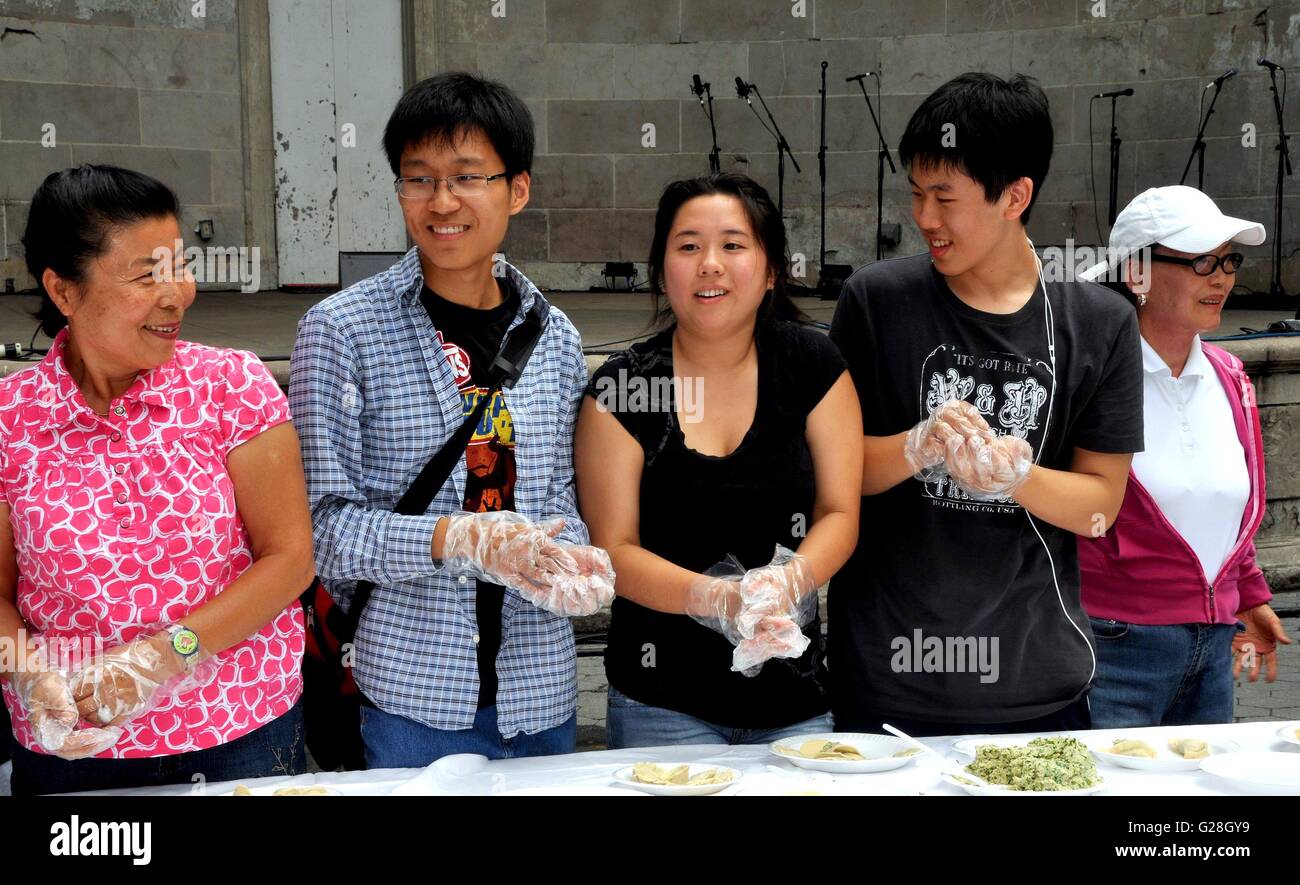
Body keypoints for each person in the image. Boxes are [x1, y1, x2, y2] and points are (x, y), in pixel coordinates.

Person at [289, 72, 614, 768]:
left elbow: (561, 497)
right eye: (419, 179)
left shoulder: (553, 334)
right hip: (413, 702)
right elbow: (320, 532)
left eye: (468, 177)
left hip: (542, 698)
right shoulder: (341, 331)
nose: (441, 202)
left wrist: (571, 560)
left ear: (516, 190)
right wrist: (455, 538)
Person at [828, 73, 1145, 737]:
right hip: (888, 683)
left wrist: (1018, 478)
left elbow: (1098, 507)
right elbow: (833, 475)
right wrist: (920, 443)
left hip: (1039, 687)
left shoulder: (1100, 322)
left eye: (945, 197)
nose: (924, 218)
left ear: (1016, 195)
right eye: (916, 193)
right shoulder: (876, 302)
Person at [1, 164, 313, 794]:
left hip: (240, 732)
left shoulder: (230, 386)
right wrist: (32, 676)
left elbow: (289, 559)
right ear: (63, 291)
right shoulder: (12, 419)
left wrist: (160, 658)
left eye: (180, 266)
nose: (178, 294)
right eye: (148, 275)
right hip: (75, 753)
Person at [575, 173, 862, 747]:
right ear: (661, 269)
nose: (710, 263)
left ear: (771, 269)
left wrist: (790, 581)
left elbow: (839, 510)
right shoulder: (624, 387)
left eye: (733, 244)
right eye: (688, 246)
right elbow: (614, 547)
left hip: (795, 702)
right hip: (662, 703)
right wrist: (717, 599)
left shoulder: (812, 364)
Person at [1077, 185, 1292, 727]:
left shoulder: (1229, 376)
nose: (1222, 277)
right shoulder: (1090, 377)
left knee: (1200, 807)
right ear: (1138, 275)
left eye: (1228, 260)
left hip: (1215, 646)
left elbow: (1220, 504)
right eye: (1200, 261)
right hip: (1111, 648)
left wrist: (1246, 595)